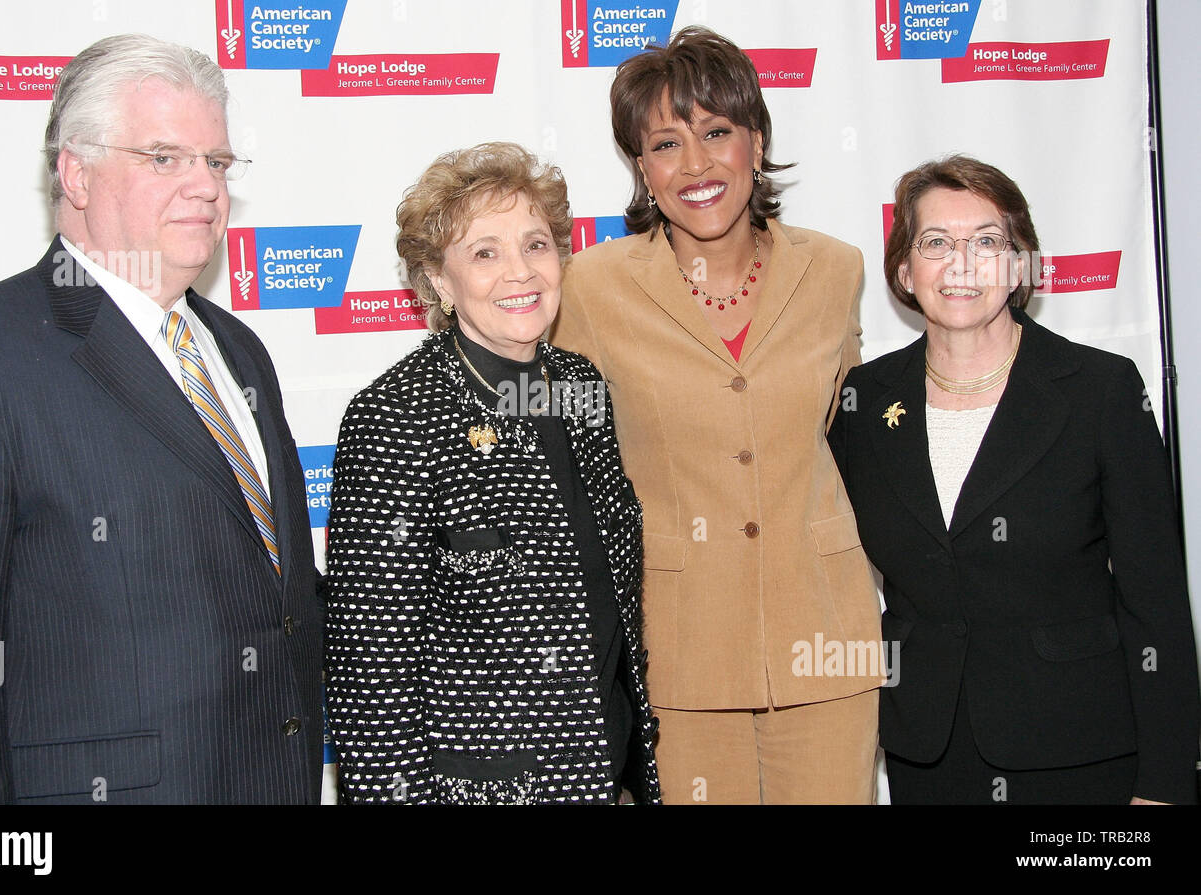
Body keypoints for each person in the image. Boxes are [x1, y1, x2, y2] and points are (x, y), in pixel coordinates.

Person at [0, 35, 322, 803]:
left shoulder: (239, 350)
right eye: (165, 158)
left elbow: (281, 604)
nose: (205, 187)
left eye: (218, 163)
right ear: (77, 172)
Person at [551, 27, 883, 804]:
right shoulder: (591, 287)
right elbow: (568, 476)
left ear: (756, 143)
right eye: (665, 144)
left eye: (716, 133)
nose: (695, 166)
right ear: (642, 167)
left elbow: (851, 435)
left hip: (826, 641)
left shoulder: (835, 269)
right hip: (678, 651)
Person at [828, 154, 1201, 804]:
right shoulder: (864, 399)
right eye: (937, 242)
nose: (963, 263)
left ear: (1021, 264)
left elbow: (1158, 603)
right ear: (904, 269)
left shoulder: (1100, 392)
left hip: (1079, 750)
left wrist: (1166, 784)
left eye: (988, 242)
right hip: (930, 751)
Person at [324, 142, 661, 804]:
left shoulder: (580, 386)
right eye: (485, 252)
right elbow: (370, 673)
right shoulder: (395, 416)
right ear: (439, 280)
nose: (520, 272)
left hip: (609, 773)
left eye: (536, 245)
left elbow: (611, 610)